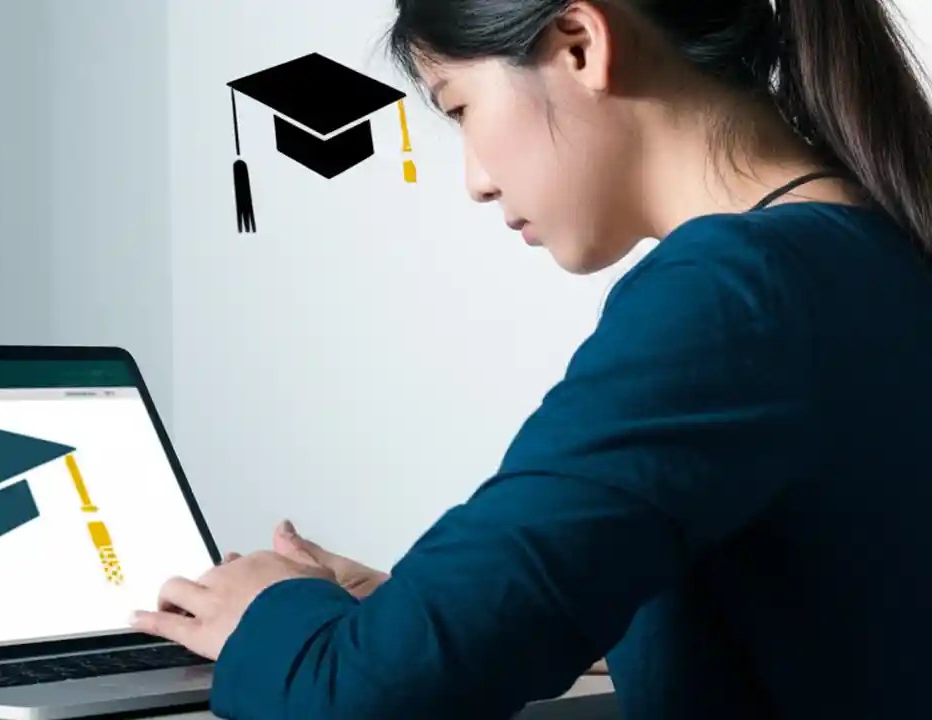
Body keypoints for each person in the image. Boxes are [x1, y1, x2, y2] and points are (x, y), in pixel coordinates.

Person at [131, 0, 932, 717]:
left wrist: (275, 612)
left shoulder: (735, 291)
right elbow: (829, 627)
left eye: (460, 106)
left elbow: (362, 699)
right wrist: (422, 615)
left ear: (579, 44)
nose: (476, 181)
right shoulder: (877, 247)